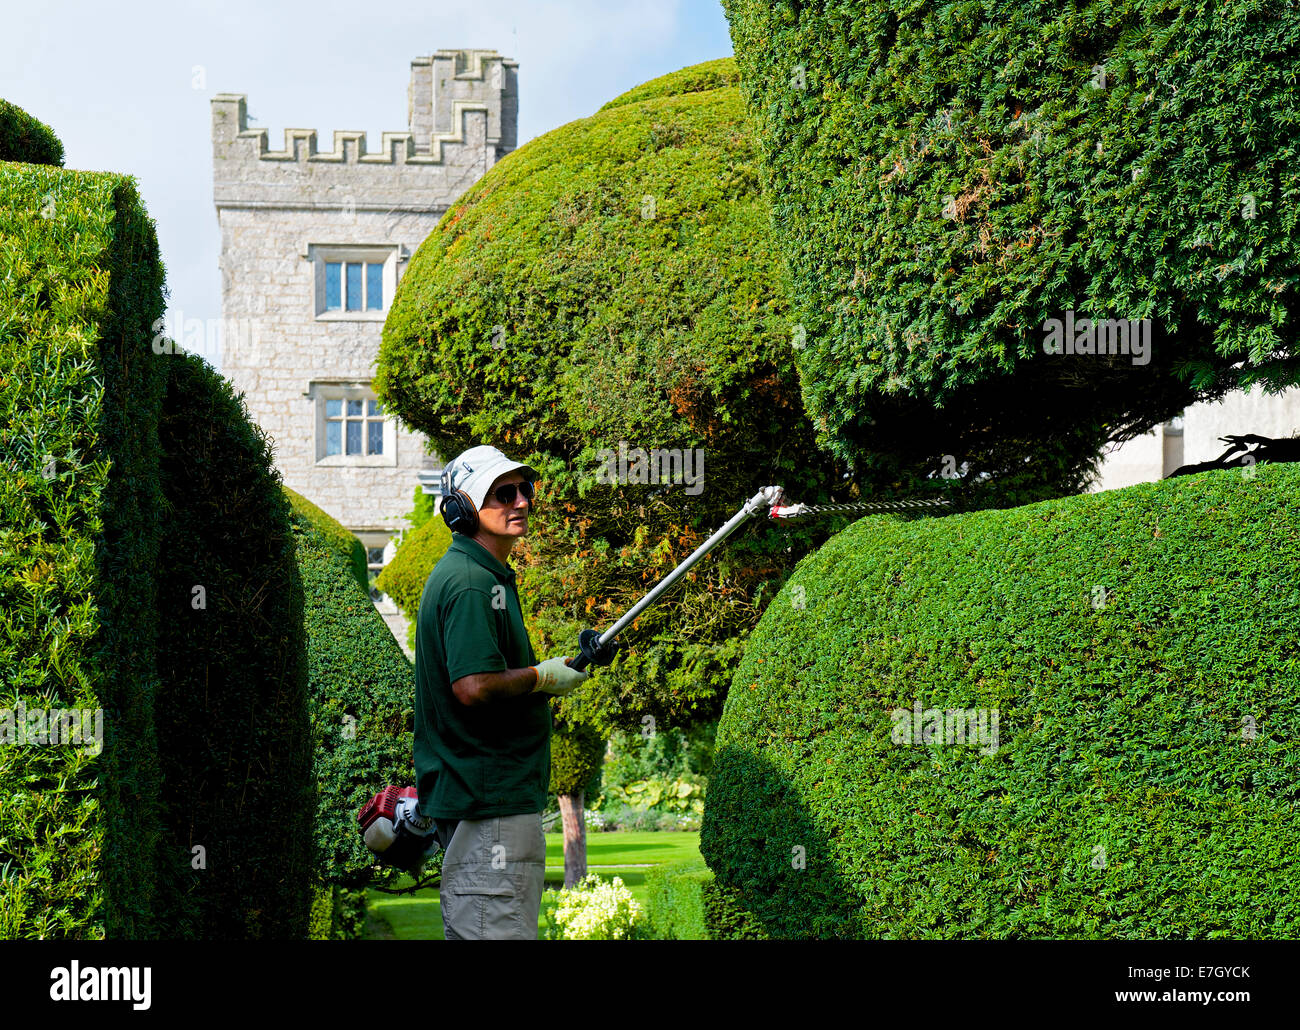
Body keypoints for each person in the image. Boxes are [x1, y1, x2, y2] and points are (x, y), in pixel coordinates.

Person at [413, 444, 590, 940]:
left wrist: (562, 668)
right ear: (461, 509)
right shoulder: (471, 582)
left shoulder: (481, 575)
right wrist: (541, 676)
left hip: (483, 803)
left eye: (523, 489)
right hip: (489, 808)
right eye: (501, 493)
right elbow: (473, 687)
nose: (521, 502)